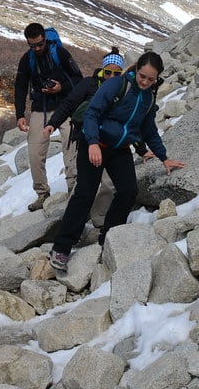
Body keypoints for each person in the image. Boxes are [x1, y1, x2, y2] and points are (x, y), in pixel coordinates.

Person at [49, 51, 185, 272]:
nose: (145, 82)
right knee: (85, 192)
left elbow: (149, 130)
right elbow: (92, 113)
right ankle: (61, 248)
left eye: (151, 79)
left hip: (119, 149)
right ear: (136, 69)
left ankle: (108, 237)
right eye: (142, 76)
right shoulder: (117, 86)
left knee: (128, 191)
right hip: (95, 144)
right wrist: (92, 142)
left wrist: (164, 157)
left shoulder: (148, 98)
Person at [44, 48, 142, 224]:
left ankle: (99, 217)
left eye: (116, 73)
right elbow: (69, 104)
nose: (112, 76)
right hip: (84, 139)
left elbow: (130, 122)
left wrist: (141, 148)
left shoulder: (123, 89)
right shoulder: (88, 84)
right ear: (103, 70)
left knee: (109, 182)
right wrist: (53, 123)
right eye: (108, 72)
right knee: (80, 182)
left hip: (110, 142)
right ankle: (71, 221)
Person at [14, 23, 84, 211]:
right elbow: (20, 87)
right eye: (32, 46)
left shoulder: (60, 53)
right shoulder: (27, 60)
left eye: (39, 44)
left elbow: (79, 79)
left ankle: (74, 190)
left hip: (66, 105)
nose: (37, 48)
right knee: (35, 153)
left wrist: (61, 87)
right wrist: (20, 115)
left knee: (70, 147)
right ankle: (42, 194)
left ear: (45, 38)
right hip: (40, 109)